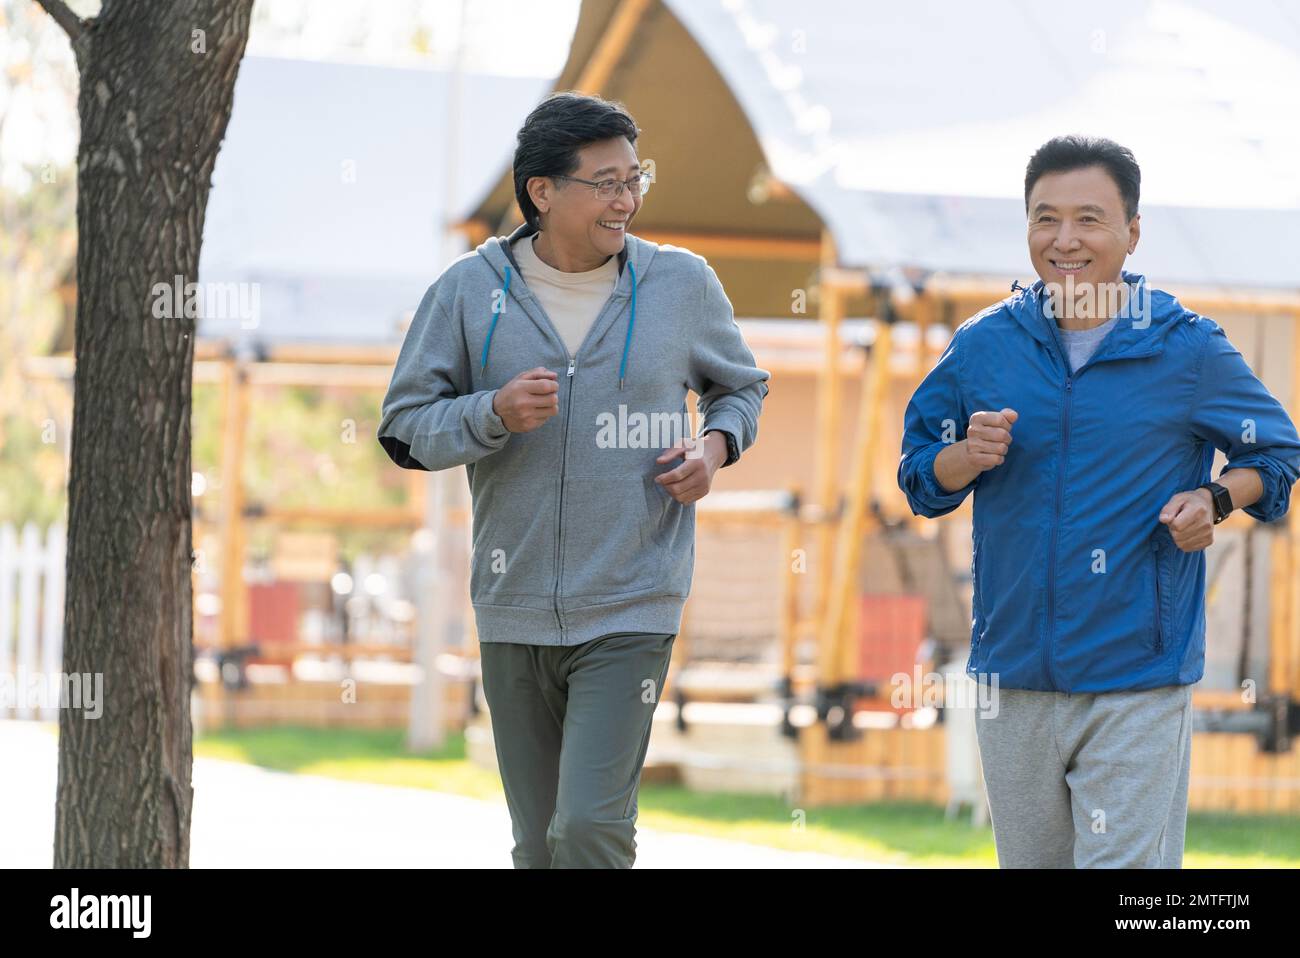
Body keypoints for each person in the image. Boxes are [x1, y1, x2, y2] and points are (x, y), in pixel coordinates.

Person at [377, 92, 769, 868]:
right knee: (537, 843)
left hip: (631, 601)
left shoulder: (680, 285)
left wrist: (715, 450)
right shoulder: (466, 291)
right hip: (512, 605)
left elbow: (742, 387)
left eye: (633, 179)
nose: (625, 200)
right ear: (543, 191)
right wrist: (491, 411)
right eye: (605, 182)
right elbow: (403, 428)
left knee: (588, 828)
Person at [898, 134, 1300, 868]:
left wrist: (1215, 496)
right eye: (1044, 218)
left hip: (1136, 677)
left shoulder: (1187, 349)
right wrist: (963, 457)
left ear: (1131, 232)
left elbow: (1277, 453)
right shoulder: (984, 346)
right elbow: (920, 476)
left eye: (1089, 218)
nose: (1064, 240)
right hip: (1011, 674)